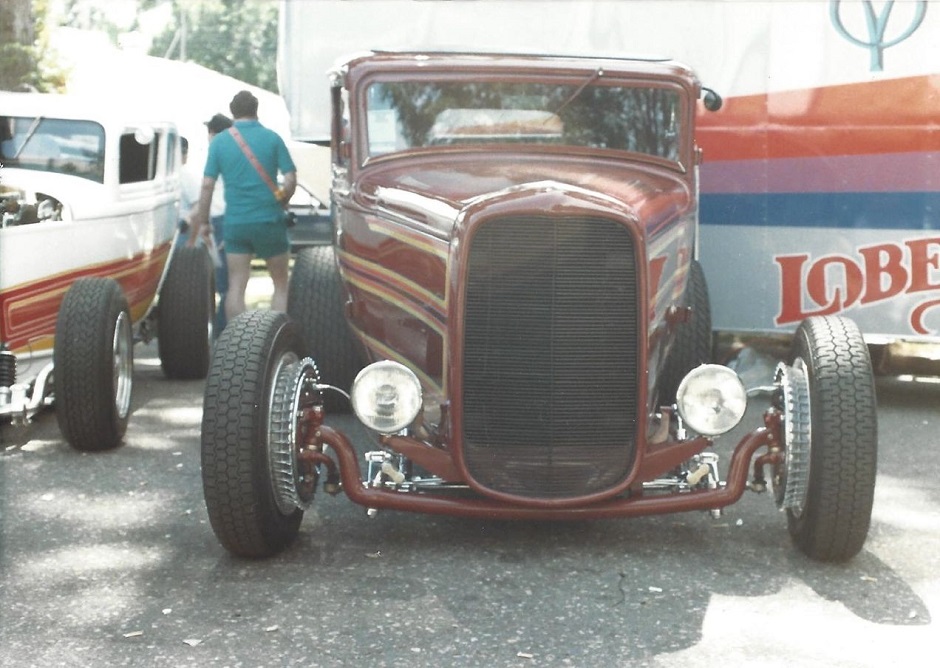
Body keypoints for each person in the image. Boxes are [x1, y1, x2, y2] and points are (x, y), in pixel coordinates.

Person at [188, 91, 296, 320]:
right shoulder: (273, 138)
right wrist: (282, 199)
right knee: (280, 284)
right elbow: (290, 178)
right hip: (270, 221)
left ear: (232, 111)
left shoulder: (220, 143)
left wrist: (205, 222)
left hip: (236, 224)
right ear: (256, 110)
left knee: (236, 285)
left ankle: (236, 342)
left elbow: (207, 186)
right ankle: (275, 336)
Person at [203, 113, 233, 333]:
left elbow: (207, 188)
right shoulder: (236, 154)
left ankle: (224, 335)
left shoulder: (217, 154)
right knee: (227, 284)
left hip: (222, 221)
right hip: (226, 220)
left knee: (227, 286)